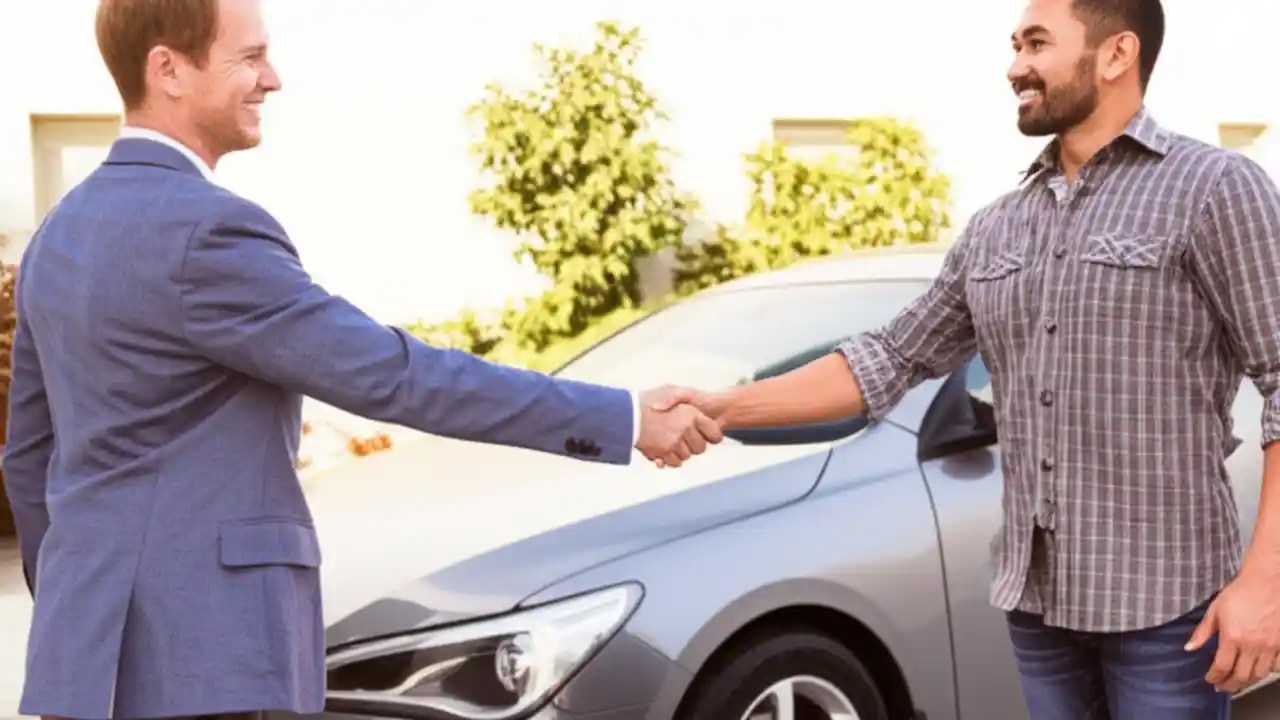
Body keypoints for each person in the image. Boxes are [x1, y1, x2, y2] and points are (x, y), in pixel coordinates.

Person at [0, 0, 722, 718]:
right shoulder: (208, 231)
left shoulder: (57, 237)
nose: (272, 79)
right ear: (168, 69)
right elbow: (395, 376)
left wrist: (79, 596)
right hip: (212, 665)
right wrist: (621, 417)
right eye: (249, 57)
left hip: (82, 665)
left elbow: (29, 459)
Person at [665, 0, 1280, 717]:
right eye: (1015, 44)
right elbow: (888, 358)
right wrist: (722, 405)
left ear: (1117, 55)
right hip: (1039, 606)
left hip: (1169, 610)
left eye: (1038, 43)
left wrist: (1266, 579)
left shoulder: (1213, 189)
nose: (1015, 65)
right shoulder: (996, 227)